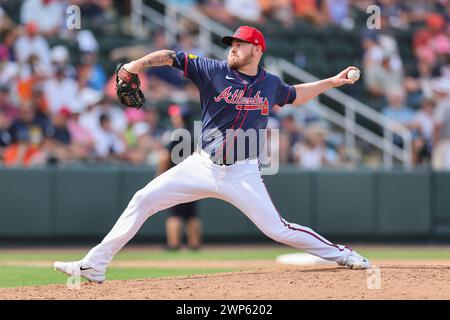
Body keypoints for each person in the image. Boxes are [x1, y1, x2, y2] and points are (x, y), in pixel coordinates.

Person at [54, 26, 370, 283]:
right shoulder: (212, 70)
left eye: (241, 44)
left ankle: (343, 254)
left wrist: (331, 81)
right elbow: (170, 57)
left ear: (257, 50)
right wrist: (135, 66)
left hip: (242, 172)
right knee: (143, 199)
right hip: (202, 165)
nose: (233, 47)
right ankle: (95, 265)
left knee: (277, 229)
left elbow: (296, 95)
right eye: (231, 43)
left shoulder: (269, 84)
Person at [159, 104, 202, 251]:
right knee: (191, 215)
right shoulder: (195, 134)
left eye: (176, 116)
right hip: (192, 179)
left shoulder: (176, 134)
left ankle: (173, 245)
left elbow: (164, 157)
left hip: (176, 178)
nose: (173, 118)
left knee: (174, 214)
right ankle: (195, 244)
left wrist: (160, 176)